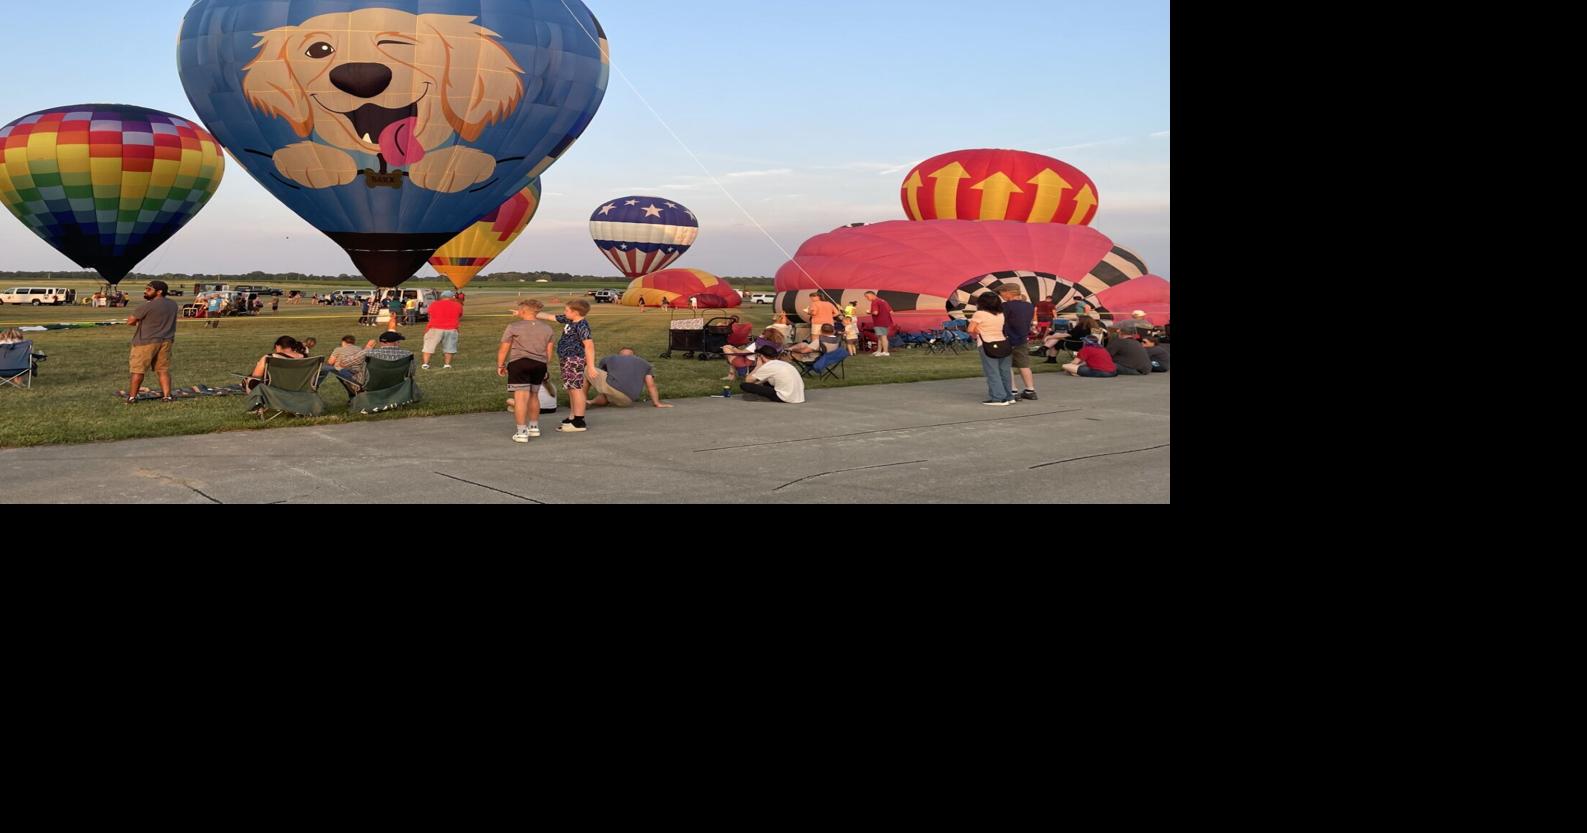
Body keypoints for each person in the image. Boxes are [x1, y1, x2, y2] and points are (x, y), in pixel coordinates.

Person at [498, 299, 558, 442]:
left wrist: (500, 365)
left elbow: (504, 348)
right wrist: (544, 366)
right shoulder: (547, 328)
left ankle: (521, 431)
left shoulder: (513, 326)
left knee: (520, 398)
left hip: (520, 363)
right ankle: (534, 427)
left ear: (523, 311)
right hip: (539, 364)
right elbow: (549, 353)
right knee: (534, 395)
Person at [535, 298, 596, 433]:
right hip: (566, 358)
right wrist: (529, 312)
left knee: (576, 388)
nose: (564, 312)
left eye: (566, 310)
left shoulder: (582, 325)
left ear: (575, 312)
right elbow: (549, 317)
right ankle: (573, 416)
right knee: (570, 388)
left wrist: (591, 366)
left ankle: (579, 421)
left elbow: (589, 346)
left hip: (574, 359)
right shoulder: (570, 320)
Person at [126, 281, 179, 404]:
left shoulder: (147, 306)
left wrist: (137, 322)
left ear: (159, 292)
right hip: (166, 341)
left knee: (138, 370)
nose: (145, 291)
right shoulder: (173, 304)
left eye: (149, 289)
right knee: (163, 370)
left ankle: (132, 398)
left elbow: (130, 321)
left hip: (145, 342)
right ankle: (167, 396)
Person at [968, 292, 1014, 406]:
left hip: (987, 344)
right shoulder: (1000, 314)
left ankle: (998, 398)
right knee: (1005, 371)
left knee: (992, 372)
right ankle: (1009, 396)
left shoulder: (979, 314)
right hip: (1003, 343)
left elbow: (970, 329)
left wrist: (978, 329)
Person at [592, 348, 673, 409]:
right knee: (607, 395)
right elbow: (651, 385)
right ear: (634, 355)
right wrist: (657, 403)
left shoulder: (612, 358)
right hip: (627, 400)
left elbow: (601, 369)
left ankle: (582, 399)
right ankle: (591, 402)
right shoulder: (645, 364)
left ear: (620, 354)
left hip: (613, 387)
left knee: (586, 369)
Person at [998, 284, 1038, 401]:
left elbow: (1001, 321)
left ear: (1008, 292)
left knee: (1007, 365)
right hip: (1022, 338)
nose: (1001, 296)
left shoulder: (1005, 306)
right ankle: (1030, 390)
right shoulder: (1029, 306)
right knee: (1024, 365)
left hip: (1007, 338)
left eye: (1001, 293)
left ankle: (1012, 390)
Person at [422, 290, 464, 370]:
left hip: (434, 328)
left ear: (442, 297)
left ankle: (425, 364)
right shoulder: (458, 305)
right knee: (449, 347)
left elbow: (430, 314)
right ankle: (447, 364)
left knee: (428, 347)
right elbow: (460, 315)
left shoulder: (434, 304)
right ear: (452, 297)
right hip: (451, 329)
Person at [864, 291, 895, 356]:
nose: (867, 298)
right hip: (885, 321)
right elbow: (891, 311)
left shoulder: (874, 302)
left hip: (880, 322)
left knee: (883, 337)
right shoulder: (883, 301)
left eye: (867, 297)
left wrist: (869, 312)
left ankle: (885, 352)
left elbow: (875, 312)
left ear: (872, 295)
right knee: (880, 337)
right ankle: (879, 351)